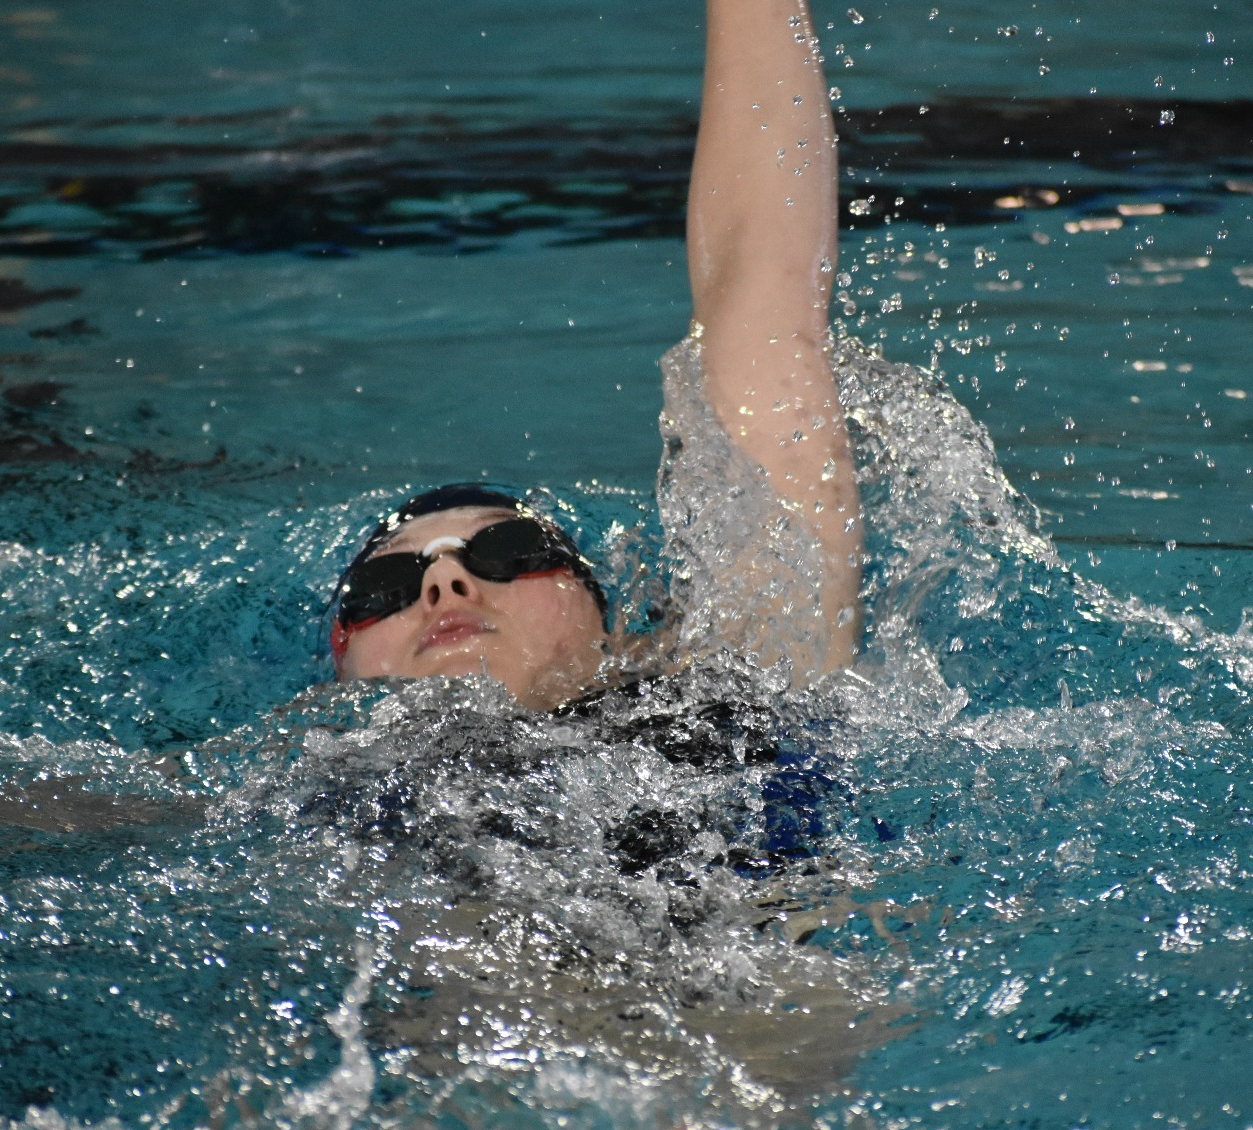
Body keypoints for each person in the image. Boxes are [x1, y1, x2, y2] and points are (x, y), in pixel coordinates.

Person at [328, 0, 860, 707]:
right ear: (340, 661)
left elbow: (762, 333)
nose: (444, 584)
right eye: (383, 588)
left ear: (613, 629)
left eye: (509, 550)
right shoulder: (261, 791)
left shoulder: (740, 681)